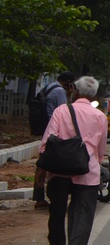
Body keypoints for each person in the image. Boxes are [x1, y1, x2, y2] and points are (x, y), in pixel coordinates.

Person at [41, 75, 109, 245]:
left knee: (56, 212)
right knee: (82, 216)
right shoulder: (100, 117)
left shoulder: (61, 111)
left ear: (75, 91)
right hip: (87, 172)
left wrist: (43, 167)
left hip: (59, 171)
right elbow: (100, 149)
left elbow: (47, 141)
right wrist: (93, 161)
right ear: (93, 95)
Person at [31, 72, 73, 210]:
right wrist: (69, 94)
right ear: (68, 82)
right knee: (55, 165)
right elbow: (64, 112)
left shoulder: (49, 86)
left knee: (42, 164)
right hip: (54, 132)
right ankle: (56, 196)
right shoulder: (60, 91)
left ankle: (38, 197)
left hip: (45, 129)